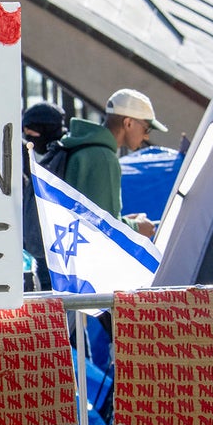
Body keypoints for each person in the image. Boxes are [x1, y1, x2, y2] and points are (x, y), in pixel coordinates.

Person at [60, 89, 165, 237]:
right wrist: (136, 228)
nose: (146, 136)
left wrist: (124, 222)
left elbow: (88, 216)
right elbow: (102, 230)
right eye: (146, 128)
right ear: (128, 123)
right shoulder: (104, 158)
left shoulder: (82, 146)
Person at [21, 102, 67, 291]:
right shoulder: (55, 155)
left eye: (31, 132)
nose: (27, 137)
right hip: (42, 249)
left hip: (53, 250)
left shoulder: (60, 156)